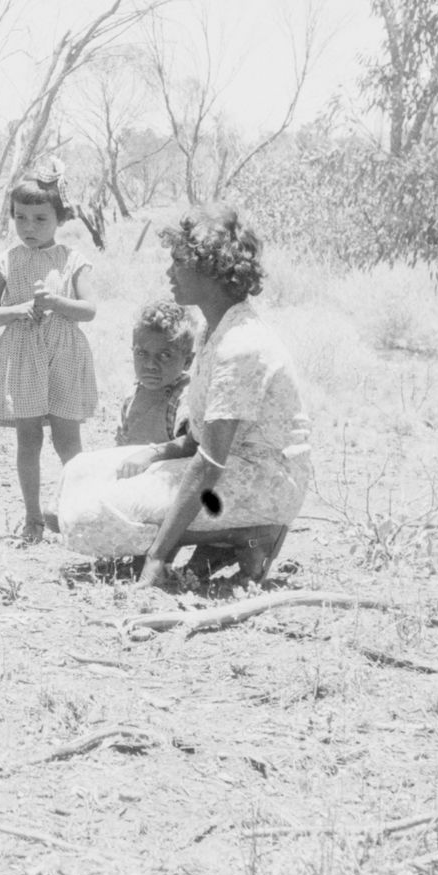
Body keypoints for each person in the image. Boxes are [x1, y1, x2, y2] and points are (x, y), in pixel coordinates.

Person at [54, 203, 310, 587]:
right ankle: (216, 536)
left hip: (261, 484)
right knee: (77, 473)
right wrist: (154, 454)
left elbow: (209, 462)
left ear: (210, 269)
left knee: (86, 521)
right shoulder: (215, 330)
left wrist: (157, 558)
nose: (169, 272)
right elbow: (197, 439)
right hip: (229, 471)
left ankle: (248, 535)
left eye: (178, 262)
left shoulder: (241, 344)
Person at [0, 163, 98, 545]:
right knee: (28, 439)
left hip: (63, 355)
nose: (28, 227)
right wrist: (16, 311)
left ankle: (79, 513)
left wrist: (58, 302)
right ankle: (32, 517)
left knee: (68, 440)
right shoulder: (6, 261)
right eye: (20, 218)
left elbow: (90, 310)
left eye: (40, 218)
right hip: (24, 357)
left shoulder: (72, 260)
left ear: (59, 218)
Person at [113, 299, 196, 447]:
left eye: (164, 355)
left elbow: (191, 445)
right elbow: (120, 445)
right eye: (141, 353)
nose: (150, 365)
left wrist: (150, 457)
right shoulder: (132, 395)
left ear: (187, 361)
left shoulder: (184, 398)